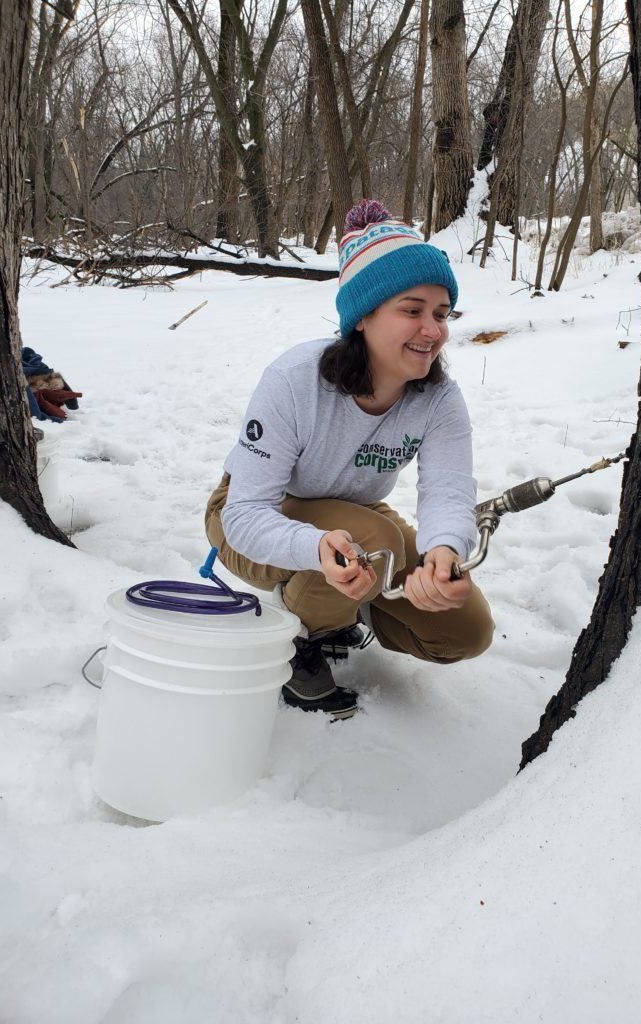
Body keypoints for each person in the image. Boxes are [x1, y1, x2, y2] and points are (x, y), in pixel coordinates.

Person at [205, 200, 494, 719]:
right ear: (363, 315)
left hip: (357, 516)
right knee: (372, 540)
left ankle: (352, 605)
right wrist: (314, 547)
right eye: (412, 310)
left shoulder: (439, 399)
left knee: (466, 631)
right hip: (252, 514)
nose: (433, 330)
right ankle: (301, 642)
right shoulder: (295, 380)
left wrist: (444, 552)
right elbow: (244, 514)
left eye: (441, 313)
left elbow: (448, 488)